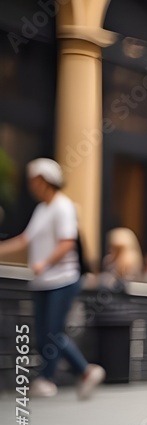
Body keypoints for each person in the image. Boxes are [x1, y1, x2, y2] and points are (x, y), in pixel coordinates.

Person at [0, 158, 104, 398]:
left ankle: (51, 378)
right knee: (47, 332)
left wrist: (44, 263)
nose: (30, 185)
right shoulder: (42, 209)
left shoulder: (62, 206)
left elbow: (67, 243)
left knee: (52, 333)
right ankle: (81, 372)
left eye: (33, 180)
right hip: (43, 281)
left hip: (63, 279)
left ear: (44, 181)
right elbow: (25, 239)